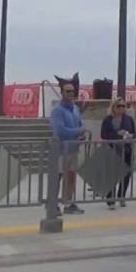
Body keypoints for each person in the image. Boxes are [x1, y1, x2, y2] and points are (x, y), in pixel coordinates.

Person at [50, 74, 89, 215]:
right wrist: (78, 131)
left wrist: (82, 134)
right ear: (62, 93)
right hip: (60, 150)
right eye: (68, 91)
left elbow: (79, 124)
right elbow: (60, 130)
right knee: (58, 178)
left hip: (73, 149)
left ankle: (68, 203)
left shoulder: (75, 109)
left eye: (73, 91)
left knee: (71, 177)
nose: (71, 93)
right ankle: (52, 205)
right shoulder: (57, 111)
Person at [101, 98, 136, 209]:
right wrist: (118, 135)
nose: (121, 108)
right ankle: (111, 199)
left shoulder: (129, 119)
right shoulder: (108, 120)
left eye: (123, 106)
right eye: (119, 106)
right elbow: (104, 134)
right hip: (112, 149)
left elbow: (134, 133)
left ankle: (121, 196)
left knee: (126, 174)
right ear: (113, 107)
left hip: (126, 149)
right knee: (112, 175)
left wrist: (130, 135)